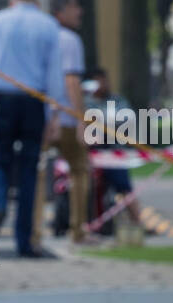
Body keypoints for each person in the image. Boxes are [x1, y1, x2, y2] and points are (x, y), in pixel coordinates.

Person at [0, 0, 66, 259]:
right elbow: (54, 74)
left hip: (4, 99)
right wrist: (54, 115)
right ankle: (24, 241)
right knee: (29, 171)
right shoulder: (48, 26)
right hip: (33, 102)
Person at [51, 0, 94, 246]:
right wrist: (81, 119)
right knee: (80, 170)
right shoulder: (69, 40)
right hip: (66, 118)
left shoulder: (43, 36)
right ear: (61, 10)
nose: (80, 11)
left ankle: (34, 233)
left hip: (45, 115)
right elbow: (71, 81)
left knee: (37, 172)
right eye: (75, 6)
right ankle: (78, 230)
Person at [89, 67, 145, 228]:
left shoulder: (117, 100)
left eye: (103, 81)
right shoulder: (85, 101)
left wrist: (99, 121)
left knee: (124, 187)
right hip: (90, 153)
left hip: (113, 153)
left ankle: (137, 222)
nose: (101, 85)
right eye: (97, 81)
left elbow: (127, 117)